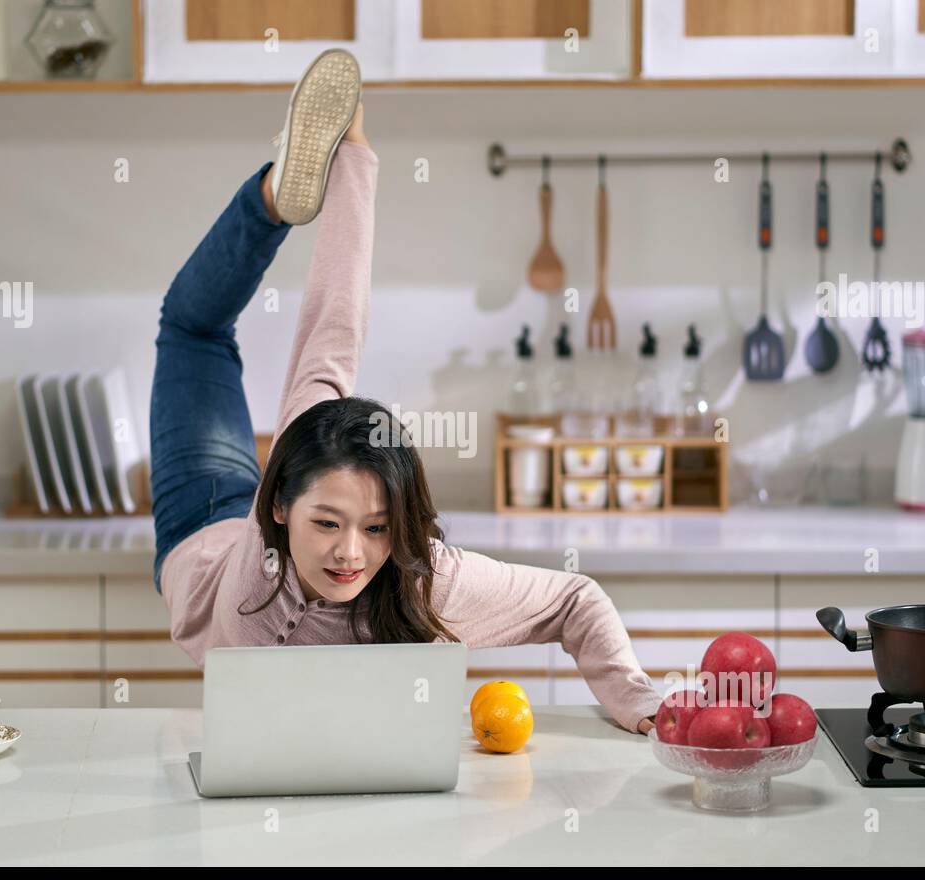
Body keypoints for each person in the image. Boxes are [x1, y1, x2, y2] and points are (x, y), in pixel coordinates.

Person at [150, 49, 663, 734]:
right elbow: (334, 326)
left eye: (377, 528)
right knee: (194, 331)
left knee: (206, 335)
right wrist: (353, 157)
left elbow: (576, 598)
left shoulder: (426, 580)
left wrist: (641, 704)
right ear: (278, 504)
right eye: (326, 524)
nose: (350, 554)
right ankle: (272, 197)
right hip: (203, 520)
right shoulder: (268, 529)